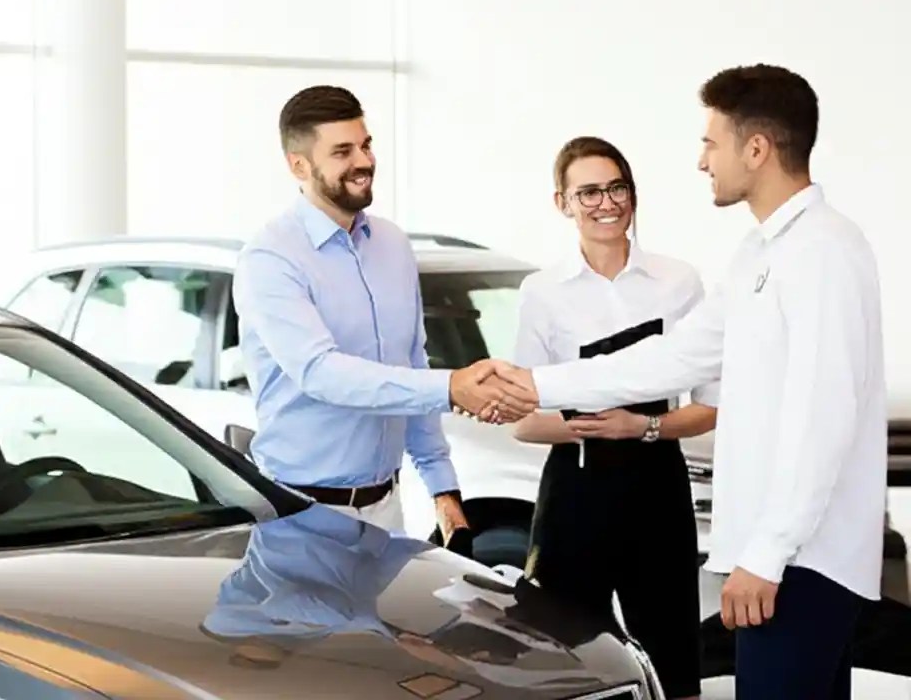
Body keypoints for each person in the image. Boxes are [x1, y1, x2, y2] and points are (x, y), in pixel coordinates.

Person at [485, 64, 887, 699]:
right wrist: (531, 386)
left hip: (799, 564)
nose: (703, 161)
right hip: (774, 556)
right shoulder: (761, 253)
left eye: (711, 142)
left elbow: (824, 419)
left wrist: (765, 555)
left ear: (755, 149)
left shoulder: (824, 252)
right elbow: (670, 359)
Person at [232, 85, 530, 538]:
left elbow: (410, 364)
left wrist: (442, 489)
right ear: (299, 165)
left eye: (366, 145)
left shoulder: (393, 245)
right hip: (301, 512)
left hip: (386, 510)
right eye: (342, 151)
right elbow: (322, 374)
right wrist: (451, 387)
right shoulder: (271, 258)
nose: (364, 162)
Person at [509, 135, 717, 700]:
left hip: (657, 485)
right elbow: (523, 419)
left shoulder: (680, 281)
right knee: (569, 662)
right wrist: (592, 423)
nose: (606, 203)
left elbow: (710, 408)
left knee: (674, 659)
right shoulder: (542, 292)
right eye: (589, 192)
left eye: (617, 188)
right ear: (563, 203)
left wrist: (642, 427)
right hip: (575, 491)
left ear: (633, 194)